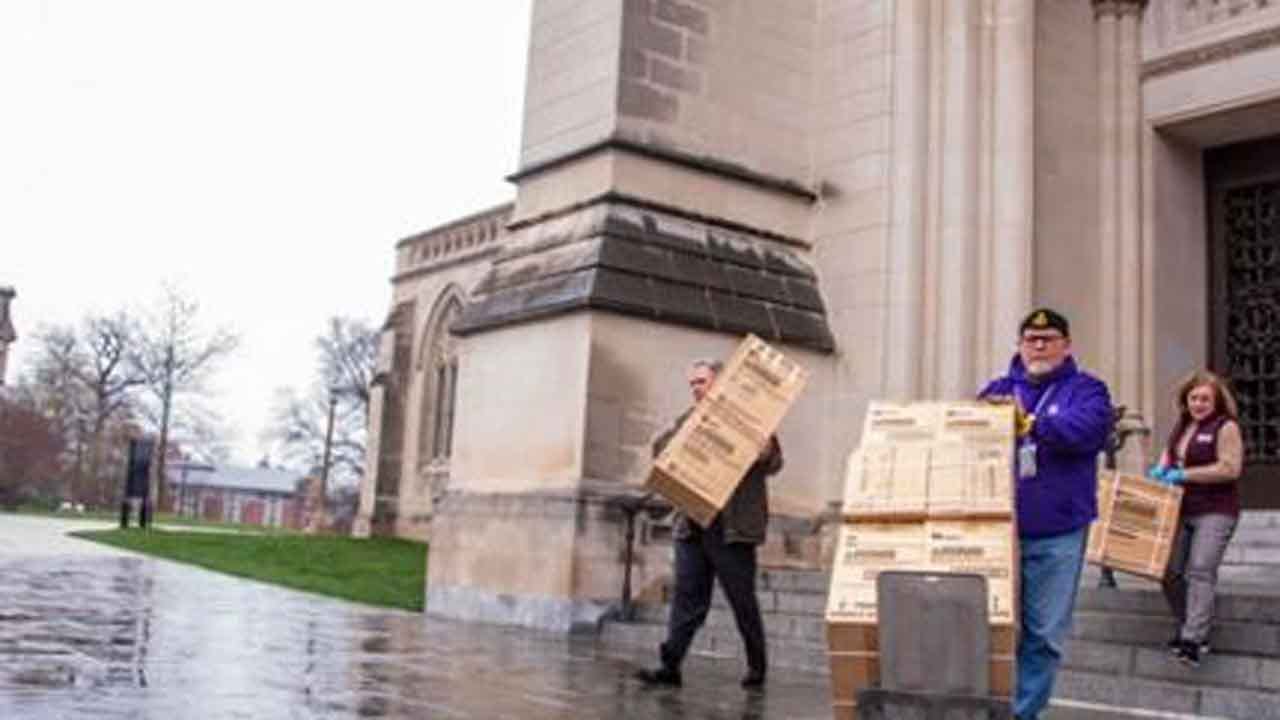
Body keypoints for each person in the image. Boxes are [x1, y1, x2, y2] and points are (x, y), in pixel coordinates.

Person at [979, 308, 1112, 720]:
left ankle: (1022, 714)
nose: (1039, 346)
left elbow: (1088, 431)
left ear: (1066, 345)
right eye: (1031, 339)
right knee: (991, 630)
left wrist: (1033, 426)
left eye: (1049, 338)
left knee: (1044, 634)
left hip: (1057, 532)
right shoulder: (996, 390)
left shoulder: (1087, 389)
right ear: (1020, 345)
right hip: (996, 530)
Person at [636, 358, 783, 691]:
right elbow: (661, 450)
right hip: (693, 525)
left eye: (701, 381)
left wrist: (765, 452)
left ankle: (757, 668)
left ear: (721, 382)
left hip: (732, 528)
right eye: (692, 384)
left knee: (742, 600)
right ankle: (669, 665)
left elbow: (773, 462)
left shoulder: (750, 420)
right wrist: (680, 440)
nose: (695, 388)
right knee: (687, 598)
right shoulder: (688, 420)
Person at [1147, 370, 1243, 668]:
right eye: (1194, 398)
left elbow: (1230, 468)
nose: (1199, 404)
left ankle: (1192, 638)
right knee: (1168, 571)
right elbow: (1167, 458)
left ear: (1217, 401)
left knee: (1200, 568)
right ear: (1185, 400)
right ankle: (1189, 623)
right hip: (1180, 509)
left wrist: (1184, 474)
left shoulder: (1225, 427)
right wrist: (1159, 472)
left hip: (1215, 510)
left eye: (1205, 398)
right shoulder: (1182, 427)